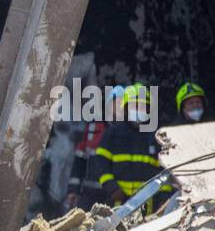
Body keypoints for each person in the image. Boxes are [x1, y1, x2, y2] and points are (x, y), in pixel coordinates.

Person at [87, 83, 173, 215]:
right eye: (135, 105)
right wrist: (111, 187)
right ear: (126, 108)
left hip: (148, 208)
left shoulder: (157, 136)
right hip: (116, 205)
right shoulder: (113, 133)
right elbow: (99, 163)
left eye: (143, 106)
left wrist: (164, 198)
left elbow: (165, 170)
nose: (139, 110)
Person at [66, 84, 123, 210]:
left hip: (113, 195)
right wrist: (73, 190)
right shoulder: (93, 127)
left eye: (122, 103)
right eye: (116, 102)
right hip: (89, 192)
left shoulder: (127, 132)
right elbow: (79, 160)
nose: (119, 107)